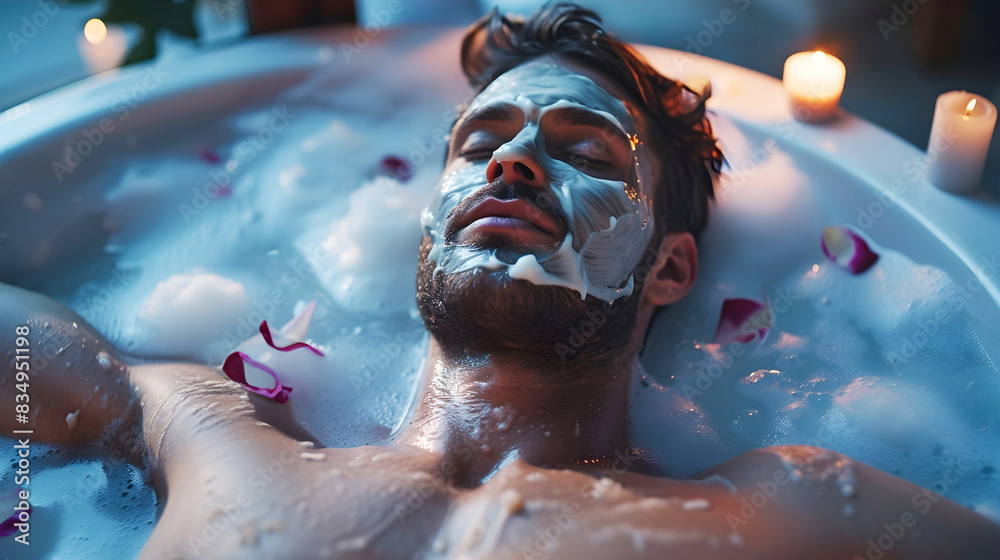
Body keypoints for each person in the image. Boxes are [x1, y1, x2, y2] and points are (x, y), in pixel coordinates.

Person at [2, 3, 998, 559]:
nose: (512, 162)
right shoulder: (213, 432)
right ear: (427, 227)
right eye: (481, 143)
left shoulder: (782, 509)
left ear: (668, 267)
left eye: (586, 153)